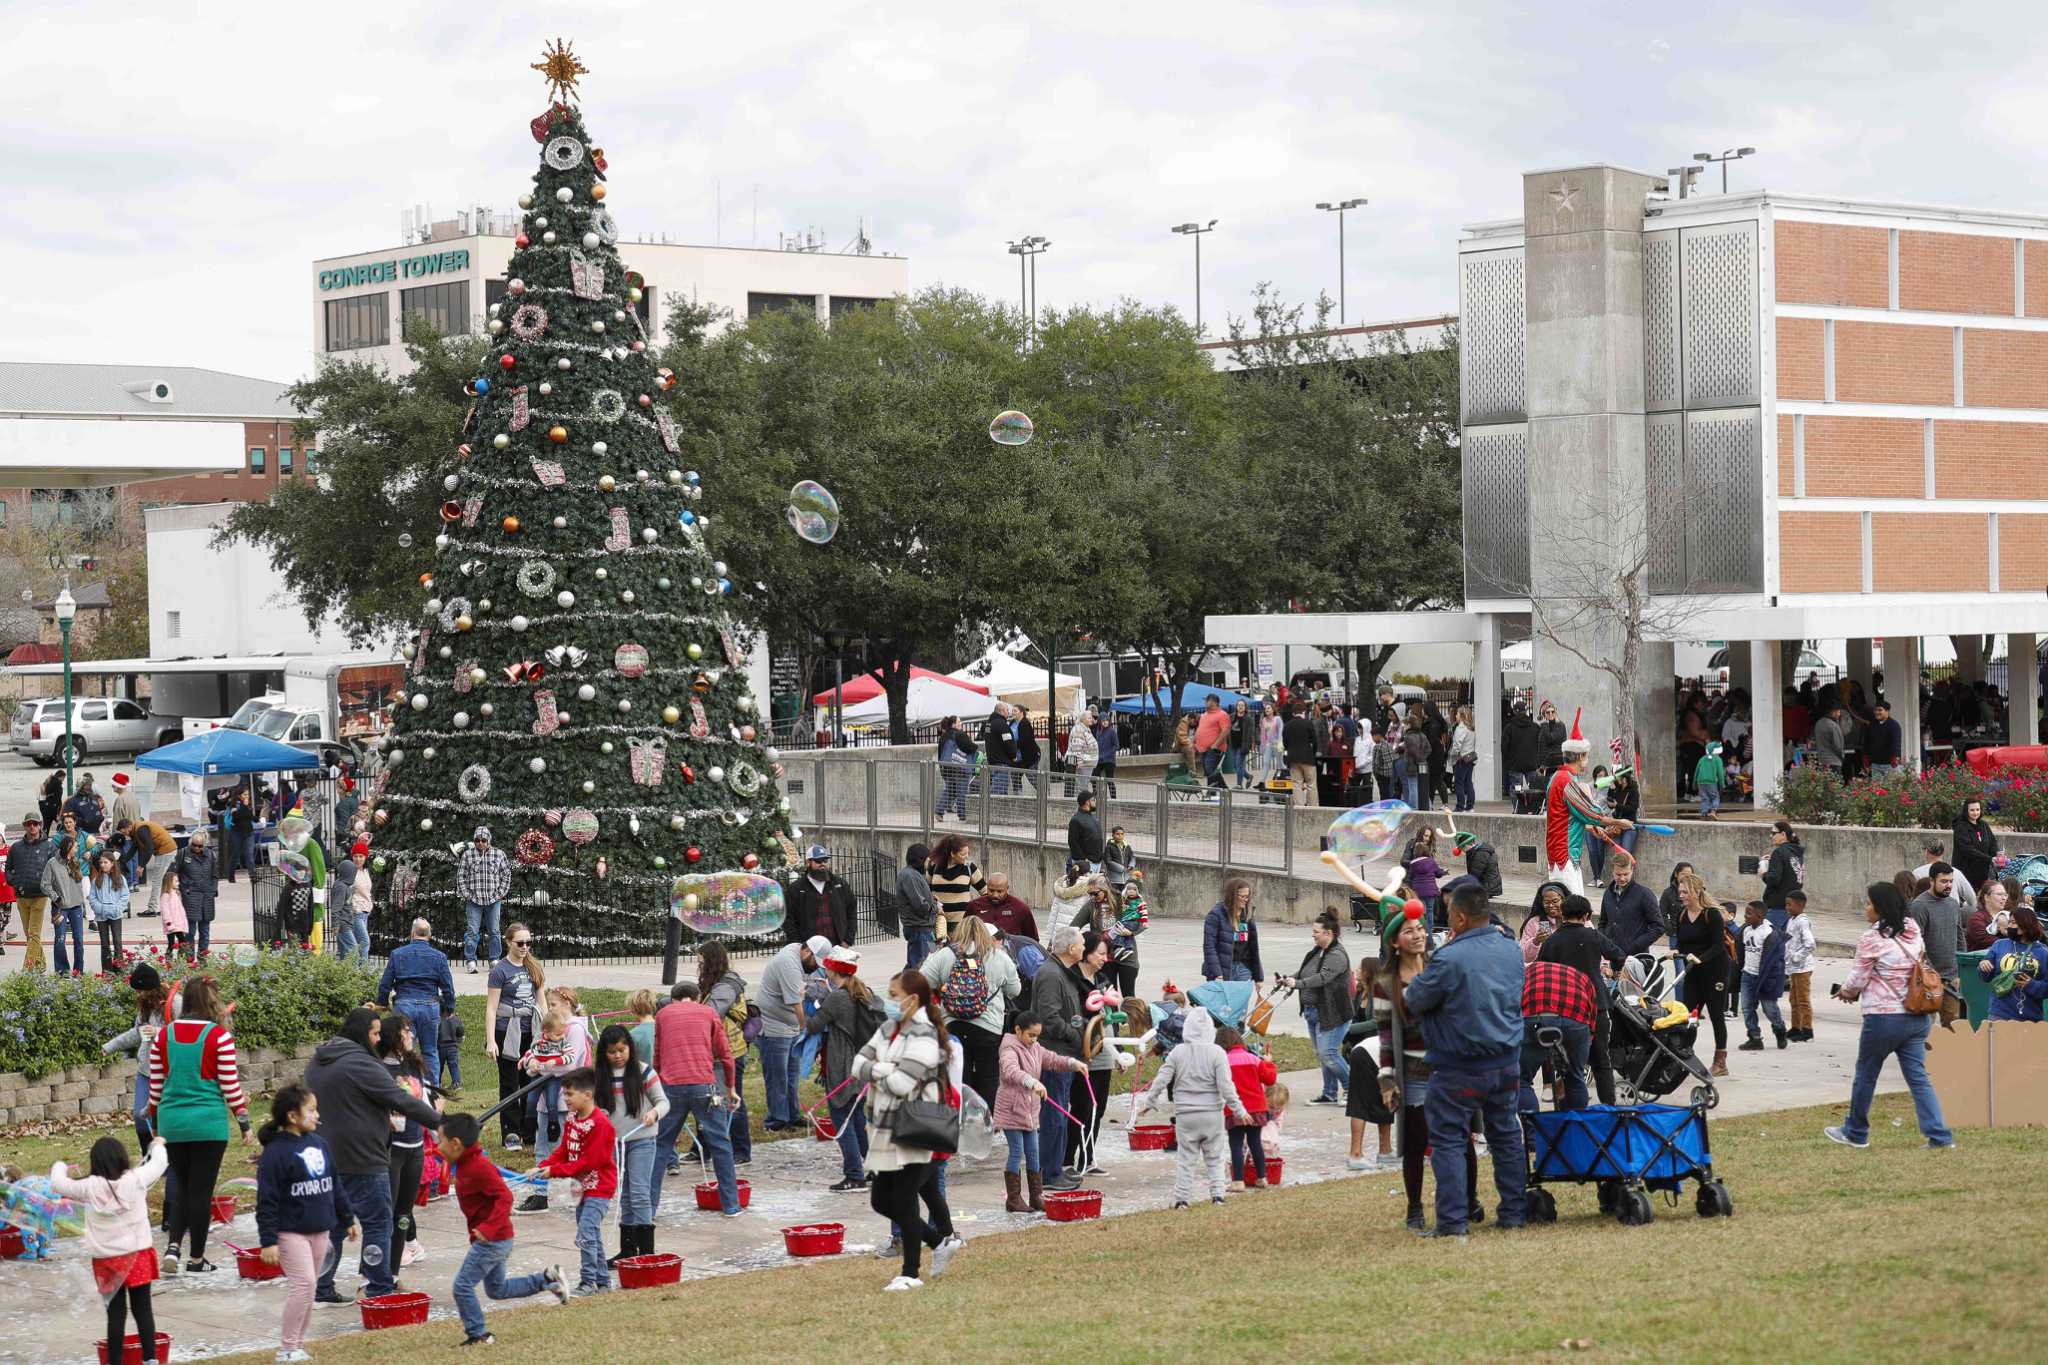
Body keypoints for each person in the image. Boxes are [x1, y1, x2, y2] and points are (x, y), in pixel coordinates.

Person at [1403, 883, 1528, 1239]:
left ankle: (1453, 1222)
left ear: (1458, 917)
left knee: (1449, 1141)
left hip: (1459, 1064)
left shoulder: (1450, 956)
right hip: (1506, 1060)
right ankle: (1514, 1213)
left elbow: (1417, 998)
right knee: (1506, 1137)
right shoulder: (1510, 949)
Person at [306, 1007, 442, 1304]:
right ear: (360, 1033)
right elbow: (400, 1099)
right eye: (375, 1033)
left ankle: (322, 1285)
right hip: (364, 1156)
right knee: (380, 1221)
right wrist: (441, 1122)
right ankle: (379, 1287)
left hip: (327, 1156)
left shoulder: (318, 1061)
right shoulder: (361, 1064)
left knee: (337, 1223)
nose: (379, 1039)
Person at [852, 970, 963, 1292]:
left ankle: (910, 1272)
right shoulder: (889, 1029)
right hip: (885, 1128)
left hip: (913, 1128)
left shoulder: (926, 1036)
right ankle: (939, 1242)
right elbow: (857, 1065)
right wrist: (885, 1070)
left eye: (895, 995)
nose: (890, 1001)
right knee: (881, 1200)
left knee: (903, 1199)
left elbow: (902, 1084)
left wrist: (878, 1071)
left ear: (913, 999)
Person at [1826, 883, 1954, 1149]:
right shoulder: (1912, 929)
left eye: (1869, 903)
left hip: (1884, 1018)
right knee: (1918, 1078)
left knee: (1866, 1074)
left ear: (1881, 907)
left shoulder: (1872, 938)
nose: (1866, 908)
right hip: (1917, 1016)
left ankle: (1856, 1132)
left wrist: (1847, 993)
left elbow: (1858, 979)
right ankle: (1939, 1136)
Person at [148, 974, 252, 1275]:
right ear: (211, 1001)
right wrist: (244, 1123)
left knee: (180, 1185)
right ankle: (196, 1259)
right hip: (208, 1124)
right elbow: (230, 1086)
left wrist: (155, 1125)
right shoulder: (218, 1037)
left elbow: (155, 1088)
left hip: (172, 1122)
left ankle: (172, 1247)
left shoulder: (163, 1036)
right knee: (201, 1192)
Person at [439, 1113, 567, 1347]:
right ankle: (548, 1279)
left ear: (456, 1143)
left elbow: (504, 1197)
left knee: (462, 1286)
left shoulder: (478, 1166)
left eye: (441, 1141)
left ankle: (478, 1334)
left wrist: (487, 1228)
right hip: (495, 1238)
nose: (439, 1147)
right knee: (497, 1289)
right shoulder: (464, 1164)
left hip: (492, 1240)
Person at [51, 1133, 170, 1365]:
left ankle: (114, 1362)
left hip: (106, 1261)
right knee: (143, 1309)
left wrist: (60, 1165)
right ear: (123, 1158)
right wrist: (157, 1145)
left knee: (115, 1315)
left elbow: (57, 1184)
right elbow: (159, 1163)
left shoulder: (88, 1187)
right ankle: (151, 1360)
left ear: (95, 1162)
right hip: (138, 1256)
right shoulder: (136, 1180)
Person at [254, 1085, 351, 1364]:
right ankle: (287, 1348)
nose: (317, 1115)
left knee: (310, 1286)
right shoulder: (276, 1154)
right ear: (292, 1116)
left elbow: (334, 1184)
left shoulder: (319, 1144)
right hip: (290, 1232)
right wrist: (268, 1241)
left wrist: (348, 1218)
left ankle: (297, 1344)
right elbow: (267, 1201)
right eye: (311, 1110)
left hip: (321, 1229)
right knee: (304, 1282)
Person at [1136, 1001, 1253, 1208]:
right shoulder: (1217, 1053)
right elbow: (1226, 1085)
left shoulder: (1178, 1052)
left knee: (1186, 1159)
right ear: (1210, 1030)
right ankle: (1217, 1195)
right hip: (1212, 1114)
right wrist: (1239, 1110)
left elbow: (1161, 1078)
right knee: (1215, 1157)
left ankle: (1182, 1199)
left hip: (1186, 1114)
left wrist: (1150, 1101)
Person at [649, 981, 742, 1219]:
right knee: (721, 1145)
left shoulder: (663, 1015)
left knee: (661, 1146)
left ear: (673, 999)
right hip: (705, 1087)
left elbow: (657, 1057)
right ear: (697, 997)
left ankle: (648, 1208)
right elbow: (726, 1055)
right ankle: (731, 1205)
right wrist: (730, 1088)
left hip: (671, 1087)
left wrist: (656, 1090)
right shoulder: (709, 1012)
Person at [921, 914, 1018, 1112]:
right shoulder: (998, 956)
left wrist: (942, 988)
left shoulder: (946, 955)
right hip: (989, 1025)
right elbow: (1014, 991)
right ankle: (985, 1120)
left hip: (953, 1024)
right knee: (988, 1075)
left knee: (958, 1074)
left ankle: (959, 1117)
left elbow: (921, 981)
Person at [534, 1069, 618, 1296]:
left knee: (585, 1233)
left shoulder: (601, 1125)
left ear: (587, 1095)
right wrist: (544, 1165)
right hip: (581, 1188)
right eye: (565, 1093)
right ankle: (602, 1282)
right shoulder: (572, 1118)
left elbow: (588, 1163)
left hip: (599, 1188)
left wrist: (554, 1171)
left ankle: (588, 1282)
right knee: (591, 1234)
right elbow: (564, 1150)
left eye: (570, 1094)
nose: (565, 1099)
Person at [807, 949, 884, 1192]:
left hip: (843, 1068)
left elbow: (812, 1026)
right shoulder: (864, 992)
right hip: (863, 1067)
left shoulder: (838, 998)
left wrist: (798, 1007)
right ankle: (875, 1169)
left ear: (832, 970)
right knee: (858, 1117)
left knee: (842, 1120)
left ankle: (854, 1175)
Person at [1537, 895, 1626, 1105]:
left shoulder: (1552, 941)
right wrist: (1614, 972)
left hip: (1565, 1006)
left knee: (1566, 1063)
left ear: (1563, 914)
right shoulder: (1593, 936)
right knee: (1601, 1061)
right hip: (1596, 1002)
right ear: (1586, 915)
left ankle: (1565, 1110)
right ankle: (1608, 1108)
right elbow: (1619, 955)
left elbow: (1542, 969)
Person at [996, 1009, 1085, 1212]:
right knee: (1017, 1152)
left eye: (1037, 1035)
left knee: (1034, 1153)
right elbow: (1011, 1071)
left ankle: (1036, 1196)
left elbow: (1052, 1059)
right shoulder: (1009, 1048)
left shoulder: (1035, 1047)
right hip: (1012, 1109)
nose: (1034, 1039)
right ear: (1018, 1030)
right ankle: (1014, 1199)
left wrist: (1073, 1063)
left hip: (1030, 1110)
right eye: (1031, 1035)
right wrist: (1032, 1082)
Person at [593, 1024, 667, 1262]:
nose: (618, 1056)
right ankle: (628, 1251)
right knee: (624, 1194)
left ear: (630, 1049)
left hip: (642, 1140)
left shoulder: (644, 1072)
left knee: (639, 1192)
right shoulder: (598, 1077)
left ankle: (646, 1252)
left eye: (622, 1050)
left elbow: (663, 1102)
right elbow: (591, 1108)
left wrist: (654, 1114)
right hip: (615, 1144)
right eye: (612, 1051)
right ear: (604, 1053)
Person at [1543, 710, 1630, 895]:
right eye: (1587, 756)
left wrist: (1592, 829)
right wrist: (1618, 822)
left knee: (1571, 906)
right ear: (1580, 756)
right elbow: (1592, 813)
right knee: (1571, 908)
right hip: (1563, 853)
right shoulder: (1566, 781)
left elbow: (1569, 817)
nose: (1588, 761)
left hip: (1563, 852)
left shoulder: (1557, 777)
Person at [376, 1012, 435, 1272]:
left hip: (415, 1148)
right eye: (406, 1030)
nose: (411, 1035)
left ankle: (402, 1253)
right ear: (393, 1036)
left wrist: (439, 1134)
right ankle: (388, 1260)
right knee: (388, 1209)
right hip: (391, 1149)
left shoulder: (413, 1065)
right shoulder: (378, 1068)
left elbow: (425, 1102)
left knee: (404, 1211)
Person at [1032, 925, 1090, 1191]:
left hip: (1065, 1053)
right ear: (1070, 949)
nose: (1084, 948)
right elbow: (1048, 1019)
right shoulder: (1050, 974)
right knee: (1053, 1117)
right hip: (1055, 1055)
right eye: (1081, 944)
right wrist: (1076, 1036)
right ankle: (1048, 1173)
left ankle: (1056, 1169)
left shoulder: (1062, 973)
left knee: (1060, 1115)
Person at [1277, 909, 1352, 1104]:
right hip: (1313, 1012)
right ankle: (1329, 1093)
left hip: (1332, 1012)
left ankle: (1353, 1089)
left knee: (1329, 1053)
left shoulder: (1337, 955)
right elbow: (1305, 972)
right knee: (1322, 1055)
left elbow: (1322, 978)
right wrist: (1288, 979)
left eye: (1316, 932)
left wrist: (1298, 984)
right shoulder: (1317, 951)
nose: (1313, 935)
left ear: (1328, 933)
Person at [757, 935, 828, 1130]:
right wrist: (807, 1029)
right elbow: (796, 1002)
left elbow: (816, 989)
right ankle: (777, 1120)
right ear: (807, 952)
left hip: (791, 1026)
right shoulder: (788, 963)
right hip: (774, 1027)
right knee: (777, 1075)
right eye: (815, 962)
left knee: (791, 1073)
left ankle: (792, 1114)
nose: (816, 967)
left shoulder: (803, 960)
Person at [377, 918, 457, 1088]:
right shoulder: (439, 957)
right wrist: (449, 1007)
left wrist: (382, 1002)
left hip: (404, 1004)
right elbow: (448, 987)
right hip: (430, 1005)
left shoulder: (397, 954)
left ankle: (406, 1086)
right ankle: (433, 1088)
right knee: (430, 1050)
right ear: (429, 935)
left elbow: (385, 984)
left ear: (412, 934)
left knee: (404, 1050)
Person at [484, 926, 543, 1150]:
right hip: (506, 1031)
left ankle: (530, 1132)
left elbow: (542, 1001)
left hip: (530, 1030)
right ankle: (511, 1133)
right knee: (509, 1083)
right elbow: (491, 1008)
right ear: (508, 942)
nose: (525, 947)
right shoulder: (500, 970)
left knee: (530, 1081)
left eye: (528, 942)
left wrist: (546, 1034)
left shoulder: (534, 967)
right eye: (520, 943)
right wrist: (491, 1040)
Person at [697, 941, 754, 1167]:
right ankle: (702, 1148)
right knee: (708, 1100)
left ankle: (741, 1150)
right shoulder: (715, 982)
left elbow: (711, 1013)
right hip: (713, 1052)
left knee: (731, 1099)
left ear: (711, 962)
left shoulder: (726, 986)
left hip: (729, 1052)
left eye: (702, 962)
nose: (699, 966)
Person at [1518, 955, 1597, 1113]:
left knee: (1521, 1080)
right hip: (1576, 1021)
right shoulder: (1582, 977)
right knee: (1575, 1079)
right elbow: (1592, 1020)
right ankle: (1572, 1129)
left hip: (1537, 1017)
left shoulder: (1528, 971)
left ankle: (1533, 1132)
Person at [1673, 870, 1732, 1077]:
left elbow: (1718, 946)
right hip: (1693, 971)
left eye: (1685, 892)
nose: (1681, 896)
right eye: (1680, 892)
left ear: (1696, 893)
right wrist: (1677, 952)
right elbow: (1682, 941)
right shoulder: (1682, 915)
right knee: (1689, 1015)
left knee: (1716, 1015)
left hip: (1715, 970)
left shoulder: (1711, 914)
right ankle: (1684, 1053)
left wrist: (1701, 958)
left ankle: (1720, 1061)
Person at [1219, 1025, 1276, 1189]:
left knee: (1236, 1144)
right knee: (1255, 1143)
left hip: (1234, 1109)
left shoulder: (1223, 1062)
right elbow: (1270, 1080)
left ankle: (1238, 1181)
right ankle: (1261, 1178)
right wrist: (1269, 1063)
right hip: (1257, 1108)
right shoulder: (1253, 1059)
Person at [1906, 861, 1969, 1007]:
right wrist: (1929, 973)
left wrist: (1961, 971)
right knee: (1928, 1026)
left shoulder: (1953, 904)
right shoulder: (1919, 906)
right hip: (1927, 979)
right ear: (1931, 881)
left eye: (1951, 881)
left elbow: (1960, 938)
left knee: (1952, 1025)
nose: (1948, 885)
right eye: (1943, 881)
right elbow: (1916, 945)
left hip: (1952, 979)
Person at [457, 826, 512, 974]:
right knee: (472, 932)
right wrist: (466, 894)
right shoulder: (468, 855)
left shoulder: (499, 854)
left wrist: (501, 893)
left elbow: (506, 874)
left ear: (489, 841)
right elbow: (461, 876)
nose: (480, 843)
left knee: (494, 931)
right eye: (477, 840)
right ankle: (471, 961)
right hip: (474, 900)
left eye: (483, 840)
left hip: (493, 899)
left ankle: (495, 960)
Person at [1979, 905, 2048, 1022]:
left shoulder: (2043, 952)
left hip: (2030, 1018)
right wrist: (1983, 966)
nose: (2009, 926)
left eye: (2013, 923)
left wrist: (2031, 985)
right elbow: (1985, 978)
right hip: (1999, 1014)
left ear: (2025, 926)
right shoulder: (1999, 945)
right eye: (2009, 922)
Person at [1737, 901, 1790, 1051]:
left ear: (1760, 915)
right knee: (1747, 1007)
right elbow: (1740, 950)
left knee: (1769, 1009)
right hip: (1748, 975)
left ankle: (1780, 1030)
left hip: (1765, 978)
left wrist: (1771, 981)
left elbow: (1774, 962)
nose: (1745, 916)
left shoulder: (1769, 933)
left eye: (1748, 913)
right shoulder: (1746, 930)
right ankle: (1754, 1038)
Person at [5, 812, 53, 973]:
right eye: (28, 824)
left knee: (33, 933)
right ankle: (40, 965)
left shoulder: (49, 846)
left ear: (40, 825)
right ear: (25, 826)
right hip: (21, 895)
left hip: (40, 895)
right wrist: (13, 881)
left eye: (35, 823)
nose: (32, 827)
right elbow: (8, 868)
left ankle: (29, 968)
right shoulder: (16, 847)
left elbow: (55, 868)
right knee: (29, 934)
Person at [1599, 850, 1666, 962]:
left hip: (1636, 959)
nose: (1622, 878)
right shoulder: (1608, 893)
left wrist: (1635, 946)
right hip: (1612, 958)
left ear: (1632, 871)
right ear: (1612, 872)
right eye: (1618, 874)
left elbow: (1658, 927)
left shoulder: (1645, 894)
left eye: (1626, 874)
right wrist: (1605, 942)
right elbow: (1602, 922)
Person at [785, 844, 856, 946]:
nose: (822, 864)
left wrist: (848, 940)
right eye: (818, 861)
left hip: (837, 945)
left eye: (825, 861)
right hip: (810, 948)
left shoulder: (839, 884)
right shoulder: (796, 889)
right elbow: (788, 919)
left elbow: (852, 911)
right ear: (808, 862)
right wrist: (798, 944)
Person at [925, 836, 988, 939]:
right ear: (952, 854)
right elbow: (926, 892)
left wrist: (976, 910)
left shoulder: (969, 868)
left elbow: (985, 892)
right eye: (963, 854)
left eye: (968, 853)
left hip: (962, 925)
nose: (966, 856)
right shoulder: (933, 867)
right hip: (939, 924)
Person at [168, 829, 217, 961]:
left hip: (206, 897)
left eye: (200, 846)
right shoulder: (183, 853)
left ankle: (202, 958)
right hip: (189, 895)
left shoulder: (211, 855)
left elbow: (214, 875)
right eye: (194, 845)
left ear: (205, 845)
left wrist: (212, 891)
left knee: (205, 932)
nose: (196, 848)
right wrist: (177, 888)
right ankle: (188, 958)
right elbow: (172, 872)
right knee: (190, 931)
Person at [1202, 877, 1262, 982]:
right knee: (1222, 998)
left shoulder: (1248, 916)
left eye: (1248, 896)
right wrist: (1217, 973)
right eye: (1243, 896)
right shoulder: (1215, 915)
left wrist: (1259, 977)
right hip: (1222, 970)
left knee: (1239, 998)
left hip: (1243, 969)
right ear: (1232, 896)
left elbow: (1254, 948)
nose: (1246, 900)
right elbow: (1209, 947)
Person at [43, 834, 86, 977]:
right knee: (60, 939)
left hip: (76, 906)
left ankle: (78, 970)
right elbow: (45, 884)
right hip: (60, 907)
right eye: (75, 846)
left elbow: (79, 882)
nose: (77, 848)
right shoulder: (52, 863)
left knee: (79, 939)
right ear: (68, 848)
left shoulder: (75, 861)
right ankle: (62, 970)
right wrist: (56, 897)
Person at [896, 843, 939, 971]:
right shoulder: (909, 875)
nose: (929, 864)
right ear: (921, 859)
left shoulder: (915, 874)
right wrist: (935, 908)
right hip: (919, 929)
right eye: (928, 860)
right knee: (920, 966)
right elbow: (920, 905)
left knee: (928, 962)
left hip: (925, 929)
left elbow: (922, 898)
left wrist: (932, 900)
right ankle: (906, 988)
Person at [1783, 891, 1818, 1040]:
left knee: (1802, 999)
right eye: (1786, 904)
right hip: (1793, 968)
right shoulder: (1792, 920)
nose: (1787, 907)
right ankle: (1796, 1027)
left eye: (1789, 904)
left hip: (1803, 967)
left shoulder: (1803, 921)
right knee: (1794, 999)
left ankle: (1807, 1030)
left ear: (1800, 905)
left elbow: (1810, 944)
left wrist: (1797, 956)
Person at [86, 850, 128, 974]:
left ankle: (119, 970)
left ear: (112, 863)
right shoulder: (96, 880)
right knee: (105, 944)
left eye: (106, 862)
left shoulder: (120, 879)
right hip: (101, 916)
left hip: (116, 915)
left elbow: (124, 896)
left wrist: (117, 909)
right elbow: (92, 898)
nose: (103, 865)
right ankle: (107, 971)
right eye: (101, 862)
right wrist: (101, 909)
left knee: (117, 942)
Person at [966, 871, 1037, 943]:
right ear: (987, 887)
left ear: (1007, 888)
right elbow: (964, 933)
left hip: (1011, 952)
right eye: (991, 890)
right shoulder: (974, 905)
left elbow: (1033, 939)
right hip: (981, 951)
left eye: (999, 891)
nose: (995, 895)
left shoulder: (1021, 908)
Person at [933, 715, 976, 822]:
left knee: (949, 790)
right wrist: (973, 743)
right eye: (959, 722)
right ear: (954, 724)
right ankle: (962, 815)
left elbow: (940, 753)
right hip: (960, 767)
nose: (961, 723)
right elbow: (970, 748)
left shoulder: (944, 736)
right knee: (962, 791)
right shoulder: (960, 734)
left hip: (947, 768)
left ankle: (939, 811)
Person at [1952, 798, 1999, 892]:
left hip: (1983, 871)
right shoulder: (1960, 827)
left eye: (1977, 809)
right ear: (1966, 811)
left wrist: (1996, 855)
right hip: (1966, 871)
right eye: (1972, 810)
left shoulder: (1984, 825)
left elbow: (1992, 842)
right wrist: (1988, 858)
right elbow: (1967, 849)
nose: (1975, 812)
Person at [1503, 701, 1542, 812]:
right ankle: (1533, 810)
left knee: (1517, 788)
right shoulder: (1535, 727)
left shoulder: (1509, 728)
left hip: (1515, 766)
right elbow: (1540, 744)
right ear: (1526, 711)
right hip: (1532, 764)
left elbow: (1504, 747)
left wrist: (1507, 762)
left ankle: (1518, 809)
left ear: (1514, 711)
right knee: (1534, 788)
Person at [1761, 820, 1804, 911]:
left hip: (1777, 905)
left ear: (1783, 834)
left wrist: (1763, 873)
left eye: (1773, 833)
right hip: (1793, 905)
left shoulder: (1779, 852)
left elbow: (1773, 879)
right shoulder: (1796, 852)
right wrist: (1773, 861)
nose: (1771, 836)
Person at [1521, 881, 1567, 963]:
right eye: (1546, 902)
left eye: (1555, 901)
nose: (1551, 906)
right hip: (1543, 969)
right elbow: (1524, 957)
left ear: (1563, 900)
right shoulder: (1534, 922)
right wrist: (1536, 941)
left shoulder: (1576, 918)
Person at [1405, 827, 1444, 925]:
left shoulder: (1414, 864)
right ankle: (1429, 932)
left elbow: (1410, 876)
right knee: (1429, 911)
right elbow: (1438, 872)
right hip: (1430, 890)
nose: (1427, 839)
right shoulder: (1412, 845)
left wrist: (1416, 863)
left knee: (1422, 911)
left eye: (1429, 837)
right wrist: (1443, 872)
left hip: (1417, 890)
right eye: (1426, 835)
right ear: (1420, 834)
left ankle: (1422, 929)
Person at [1282, 704, 1317, 806]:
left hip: (1293, 759)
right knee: (1311, 784)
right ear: (1304, 712)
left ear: (1293, 713)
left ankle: (1299, 807)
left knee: (1296, 784)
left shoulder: (1287, 725)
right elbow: (1314, 741)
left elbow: (1285, 744)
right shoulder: (1308, 723)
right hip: (1308, 758)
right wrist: (1313, 753)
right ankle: (1313, 807)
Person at [1449, 705, 1478, 811]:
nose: (1455, 716)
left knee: (1459, 783)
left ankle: (1460, 806)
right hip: (1470, 758)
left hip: (1461, 759)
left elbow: (1457, 745)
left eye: (1457, 714)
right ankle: (1470, 805)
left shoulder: (1460, 728)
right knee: (1468, 782)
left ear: (1461, 716)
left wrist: (1452, 755)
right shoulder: (1471, 728)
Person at [1067, 788, 1104, 870]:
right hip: (1085, 864)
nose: (1095, 802)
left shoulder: (1093, 817)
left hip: (1096, 863)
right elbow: (1073, 842)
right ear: (1087, 802)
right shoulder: (1076, 820)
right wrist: (1083, 860)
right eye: (1093, 800)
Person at [1067, 708, 1101, 795]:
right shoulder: (1079, 730)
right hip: (1082, 765)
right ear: (1083, 719)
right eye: (1089, 718)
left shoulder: (1084, 729)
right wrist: (1080, 763)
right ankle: (1080, 806)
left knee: (1082, 787)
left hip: (1086, 765)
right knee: (1080, 788)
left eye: (1091, 717)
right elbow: (1077, 748)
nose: (1091, 719)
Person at [1813, 700, 1848, 779]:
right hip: (1834, 762)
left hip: (1822, 761)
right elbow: (1838, 746)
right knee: (1835, 789)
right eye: (1839, 712)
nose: (1839, 714)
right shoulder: (1833, 725)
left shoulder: (1818, 723)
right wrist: (1842, 757)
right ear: (1834, 711)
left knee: (1825, 788)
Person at [1694, 742, 1726, 819]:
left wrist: (1694, 783)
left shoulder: (1702, 759)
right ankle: (1713, 811)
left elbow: (1696, 771)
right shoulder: (1718, 759)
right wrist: (1722, 784)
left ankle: (1704, 813)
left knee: (1705, 798)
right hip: (1711, 782)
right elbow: (1720, 773)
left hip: (1700, 782)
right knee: (1715, 797)